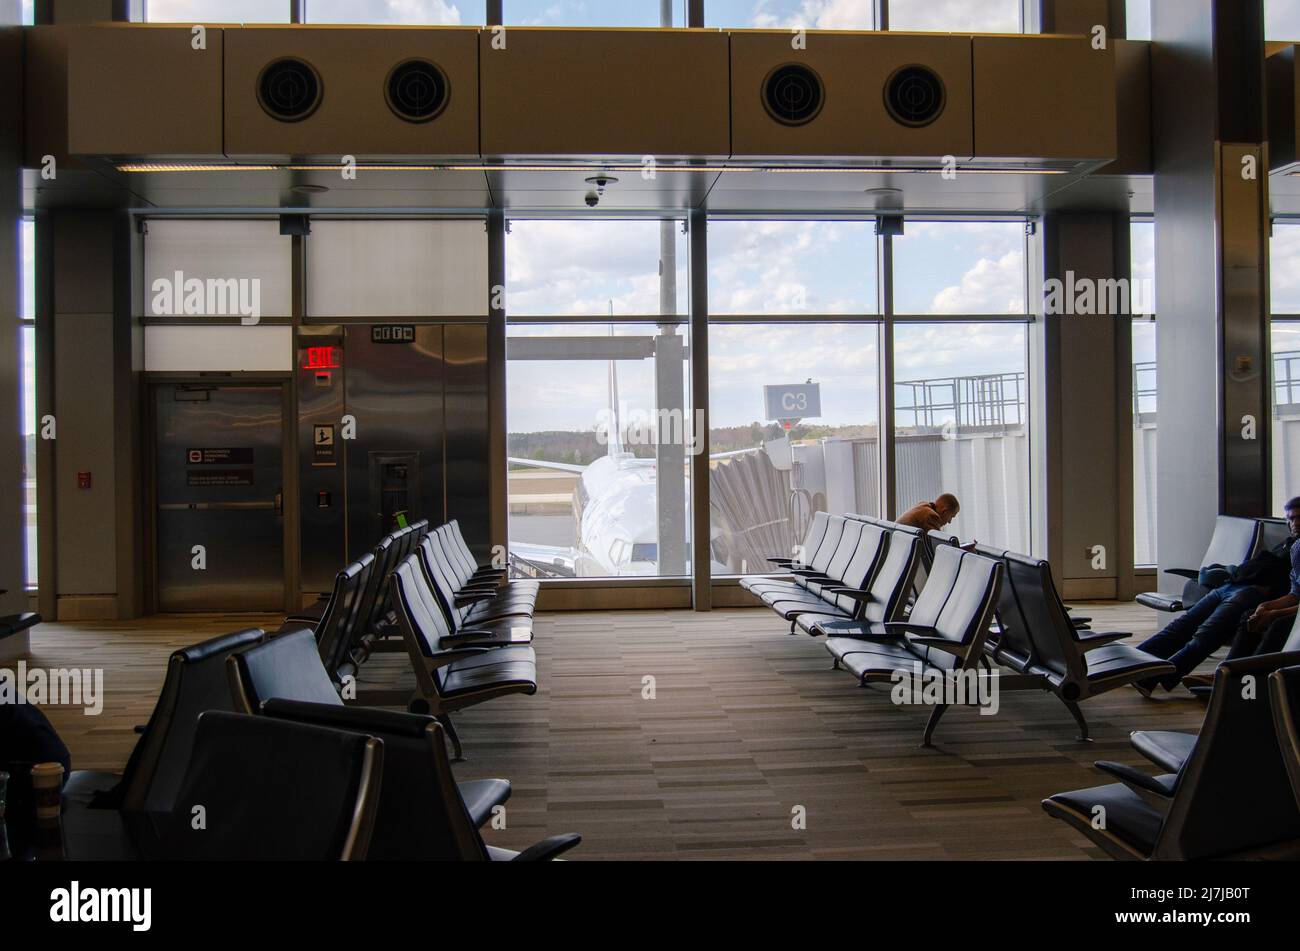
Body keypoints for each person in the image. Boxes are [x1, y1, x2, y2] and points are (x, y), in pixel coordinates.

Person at [1134, 498, 1300, 696]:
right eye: (1291, 519)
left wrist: (1268, 605)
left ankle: (1155, 676)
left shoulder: (1296, 550)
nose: (1295, 523)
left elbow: (1293, 591)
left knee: (1205, 634)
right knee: (1182, 626)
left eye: (1299, 518)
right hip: (1231, 584)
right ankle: (1132, 665)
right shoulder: (1291, 544)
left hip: (1250, 592)